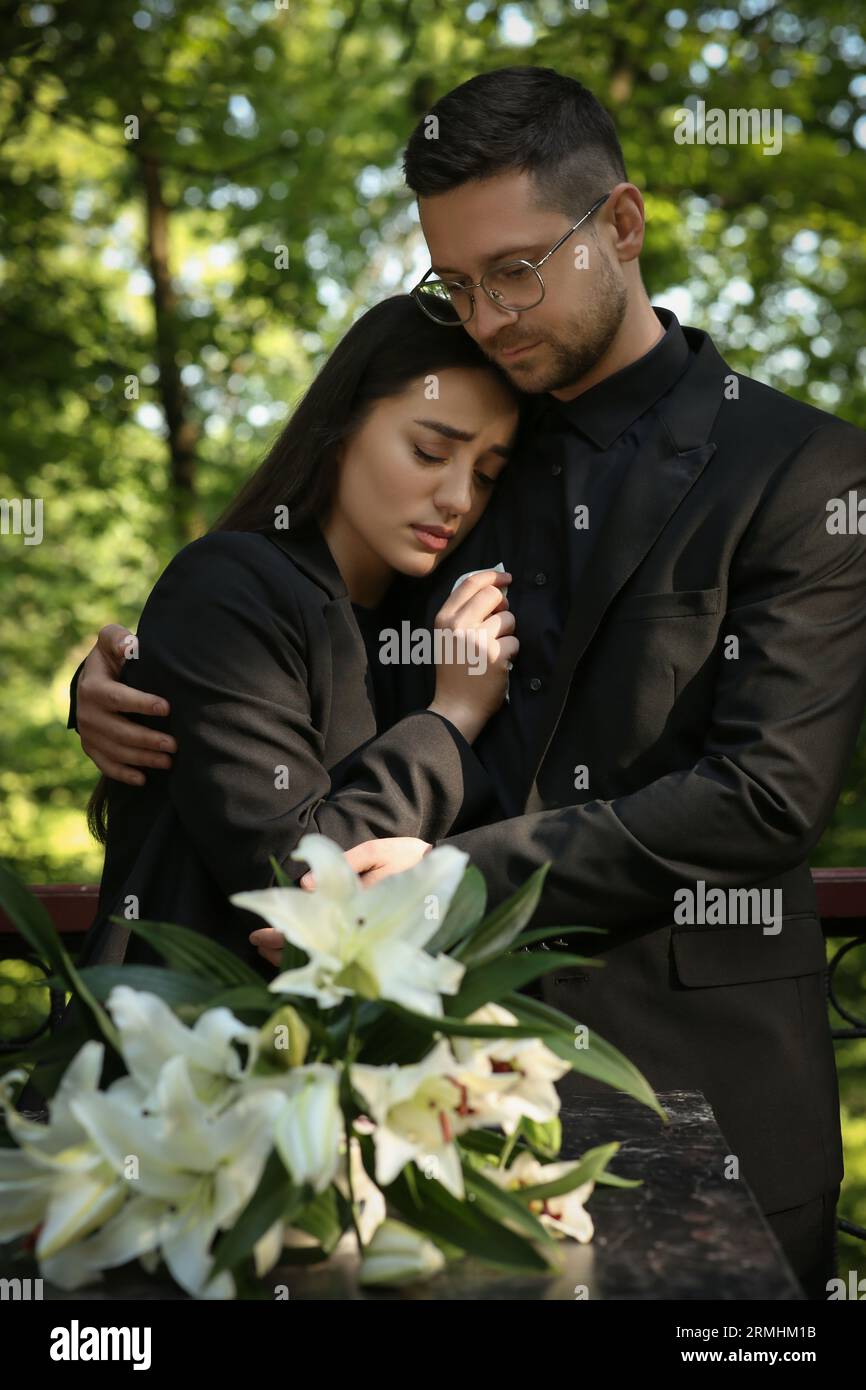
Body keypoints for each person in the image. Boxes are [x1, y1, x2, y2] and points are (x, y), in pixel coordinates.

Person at [71, 67, 866, 1299]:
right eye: (455, 282)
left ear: (618, 225)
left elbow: (766, 795)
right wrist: (128, 674)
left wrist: (454, 879)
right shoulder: (458, 446)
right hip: (425, 1115)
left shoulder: (802, 469)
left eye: (515, 270)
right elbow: (298, 648)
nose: (488, 314)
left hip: (702, 1089)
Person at [71, 293, 520, 982]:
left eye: (487, 474)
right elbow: (303, 876)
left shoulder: (443, 625)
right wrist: (452, 716)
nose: (459, 497)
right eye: (431, 451)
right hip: (202, 1067)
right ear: (341, 429)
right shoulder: (229, 584)